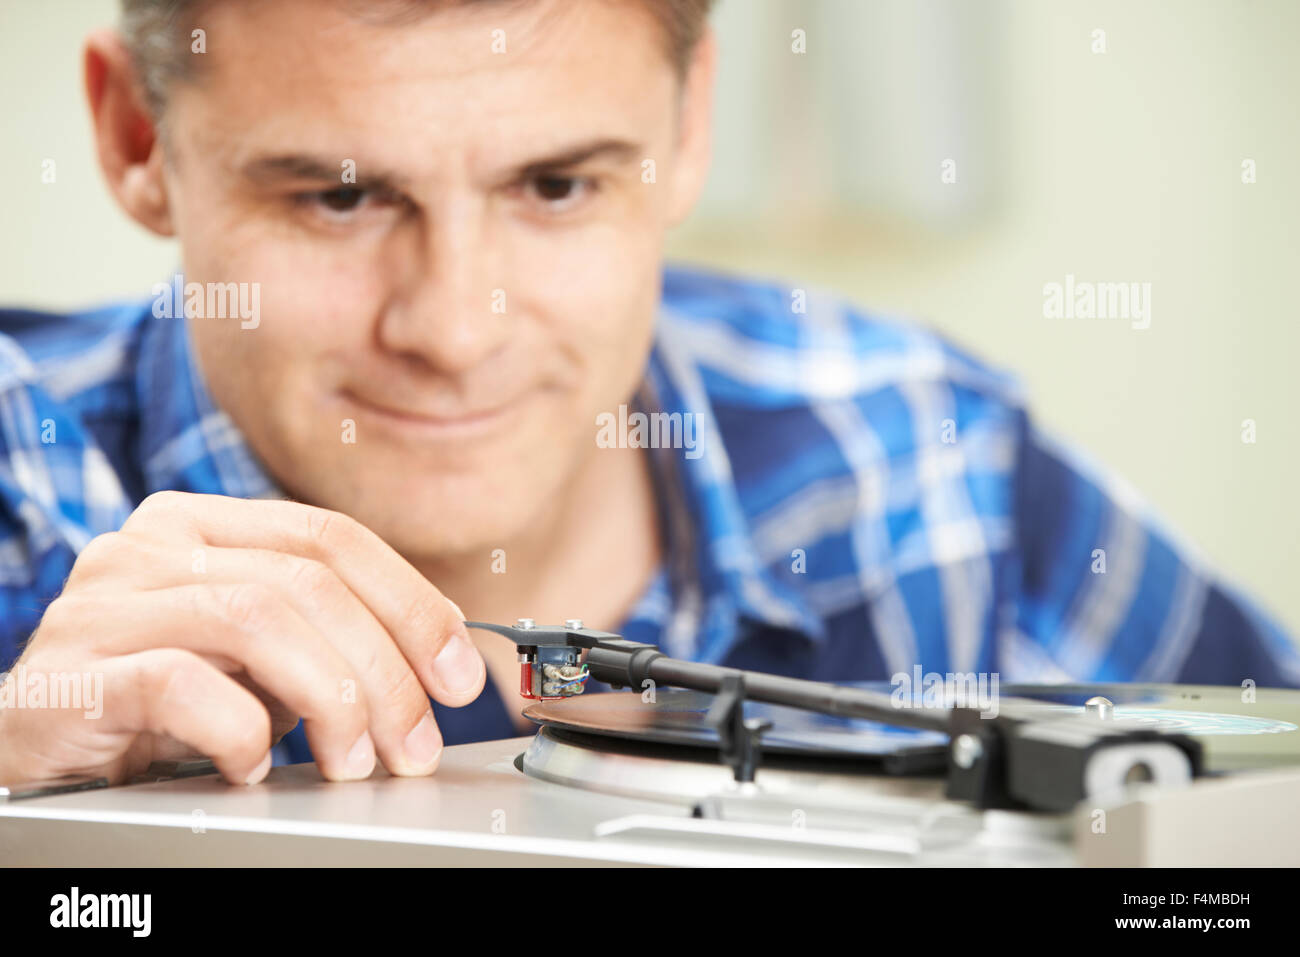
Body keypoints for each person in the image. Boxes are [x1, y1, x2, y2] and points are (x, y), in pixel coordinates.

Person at [1, 0, 1295, 790]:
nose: (454, 331)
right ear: (135, 137)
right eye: (338, 197)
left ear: (689, 124)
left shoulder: (922, 458)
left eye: (555, 186)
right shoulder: (20, 477)